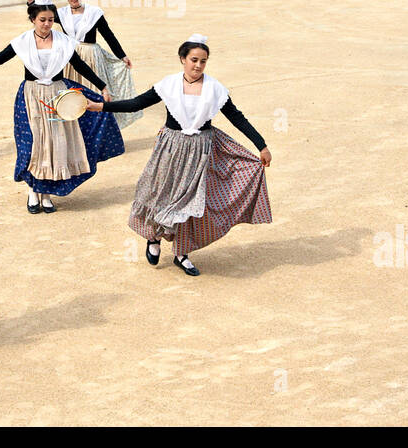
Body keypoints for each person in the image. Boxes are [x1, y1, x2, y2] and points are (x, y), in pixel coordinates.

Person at [87, 35, 272, 277]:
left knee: (192, 204)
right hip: (170, 149)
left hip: (201, 152)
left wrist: (261, 145)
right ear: (182, 59)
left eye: (203, 61)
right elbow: (135, 104)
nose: (198, 65)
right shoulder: (168, 85)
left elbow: (237, 117)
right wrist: (100, 106)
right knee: (158, 194)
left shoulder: (215, 89)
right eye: (194, 60)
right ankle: (153, 238)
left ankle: (182, 253)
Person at [0, 0, 124, 213]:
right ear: (32, 20)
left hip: (58, 96)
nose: (47, 24)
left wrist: (102, 86)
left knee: (56, 143)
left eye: (51, 20)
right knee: (35, 144)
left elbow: (80, 66)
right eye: (42, 19)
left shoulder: (63, 41)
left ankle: (45, 195)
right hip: (31, 96)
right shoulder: (22, 41)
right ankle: (32, 192)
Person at [25, 0, 139, 130]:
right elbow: (36, 9)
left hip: (91, 57)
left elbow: (108, 35)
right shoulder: (61, 13)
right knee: (71, 98)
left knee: (94, 94)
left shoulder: (95, 13)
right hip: (70, 59)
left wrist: (122, 56)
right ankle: (75, 131)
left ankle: (99, 132)